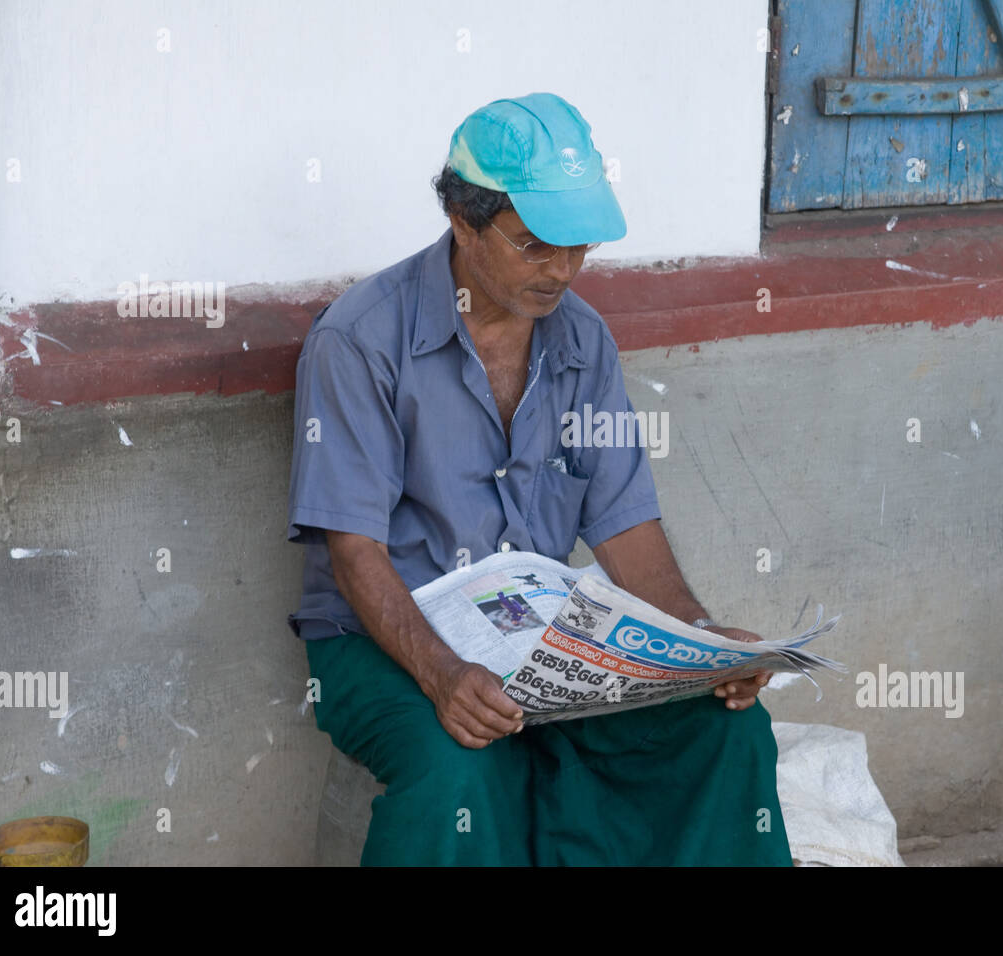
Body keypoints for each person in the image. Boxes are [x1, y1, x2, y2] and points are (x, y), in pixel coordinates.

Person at [285, 92, 791, 865]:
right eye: (534, 246)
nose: (562, 270)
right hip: (382, 638)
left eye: (577, 247)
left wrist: (699, 641)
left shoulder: (583, 339)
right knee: (458, 762)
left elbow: (626, 525)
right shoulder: (360, 341)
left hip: (543, 634)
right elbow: (355, 553)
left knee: (726, 723)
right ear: (463, 222)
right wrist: (443, 673)